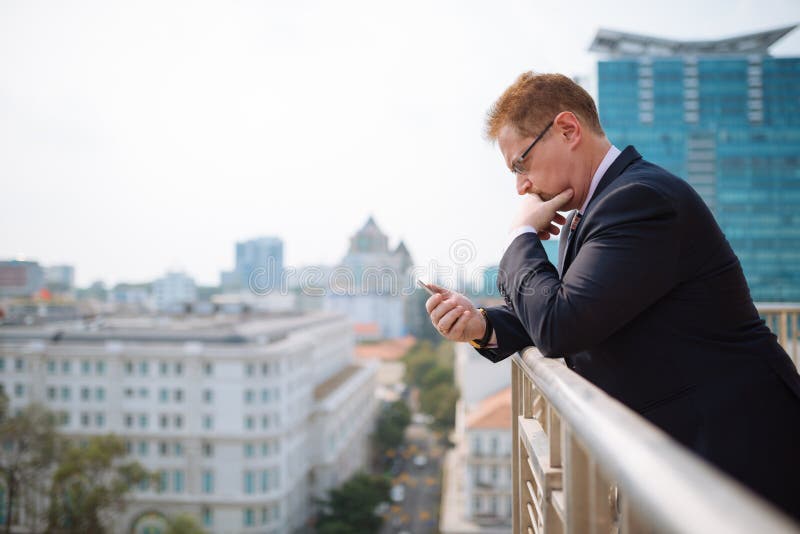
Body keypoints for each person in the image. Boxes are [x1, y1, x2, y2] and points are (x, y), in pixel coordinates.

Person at [424, 72, 800, 521]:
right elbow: (588, 305)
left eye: (520, 164)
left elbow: (563, 326)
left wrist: (519, 236)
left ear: (568, 130)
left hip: (732, 447)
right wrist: (482, 325)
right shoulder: (602, 206)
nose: (521, 187)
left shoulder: (639, 199)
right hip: (684, 441)